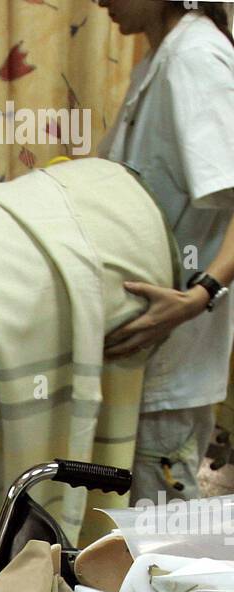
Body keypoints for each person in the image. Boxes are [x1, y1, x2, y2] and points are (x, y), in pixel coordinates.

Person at [97, 0, 234, 504]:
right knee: (130, 539)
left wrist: (200, 296)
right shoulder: (159, 61)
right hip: (144, 348)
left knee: (163, 550)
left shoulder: (195, 59)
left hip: (172, 349)